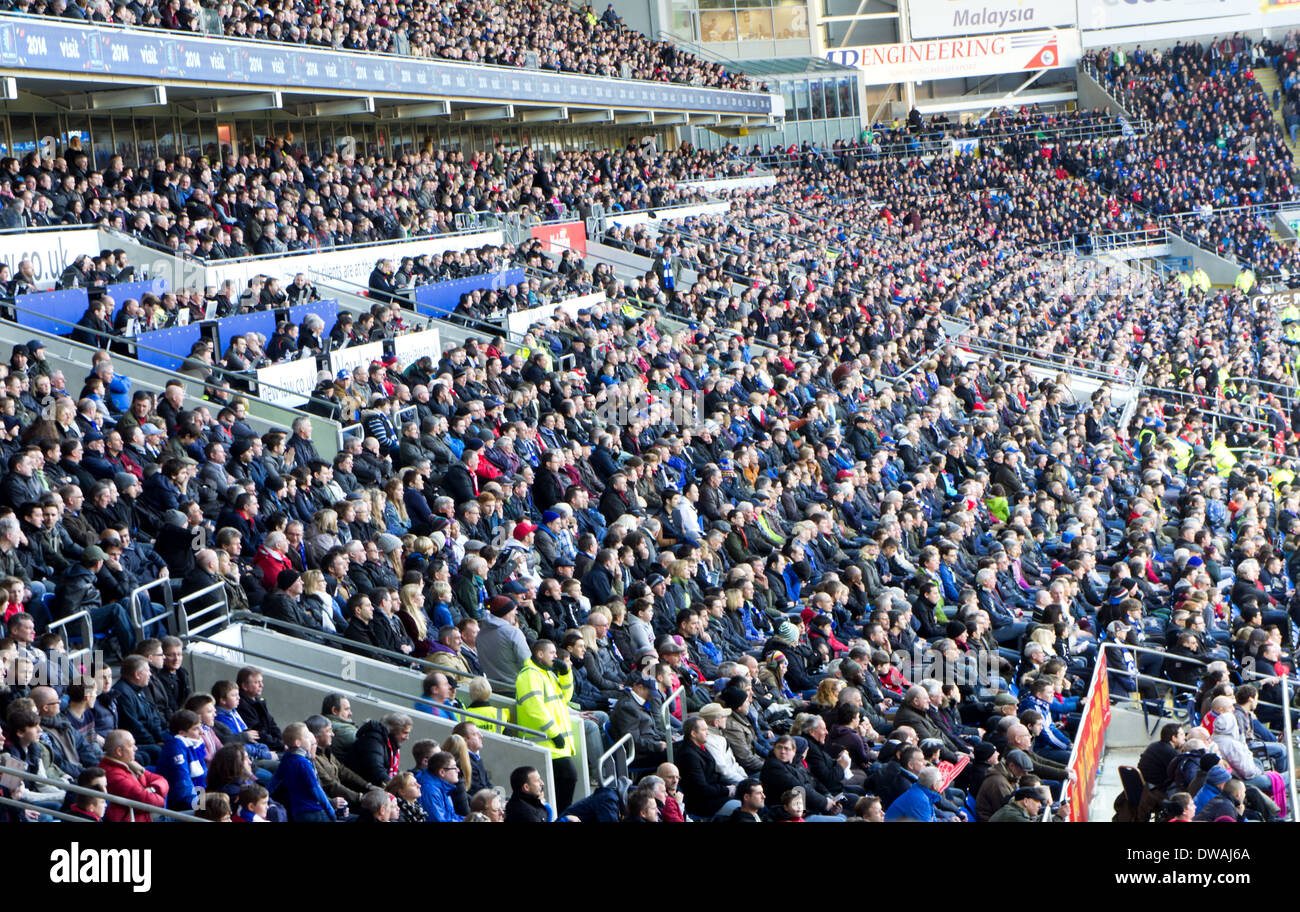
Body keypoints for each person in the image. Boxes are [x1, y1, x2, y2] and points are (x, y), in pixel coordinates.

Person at [270, 722, 337, 822]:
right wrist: (331, 811)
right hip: (315, 811)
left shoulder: (286, 758)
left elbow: (274, 781)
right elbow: (316, 791)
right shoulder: (303, 763)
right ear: (297, 743)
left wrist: (266, 795)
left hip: (297, 812)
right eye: (306, 736)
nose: (310, 739)